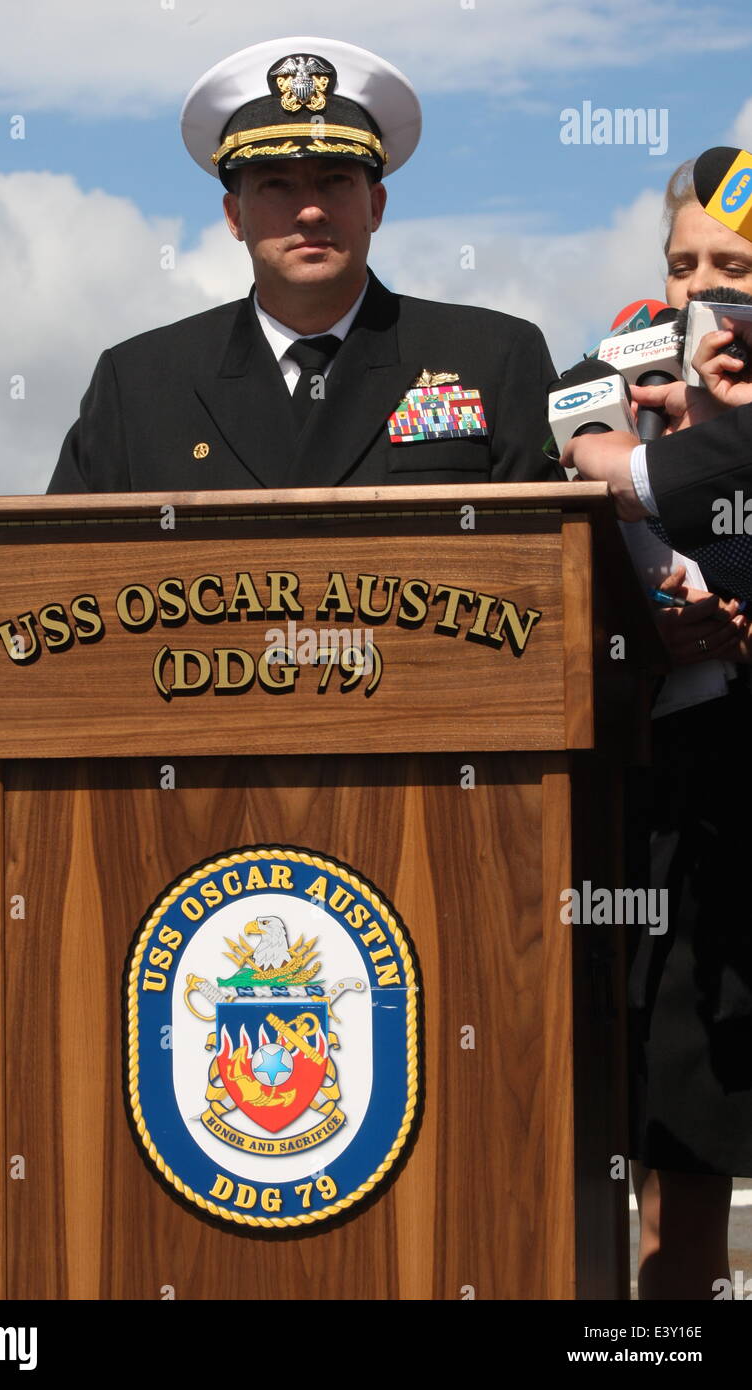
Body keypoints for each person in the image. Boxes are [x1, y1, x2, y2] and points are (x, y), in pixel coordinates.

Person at [47, 36, 560, 495]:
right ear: (234, 217)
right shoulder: (138, 384)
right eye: (276, 185)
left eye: (334, 180)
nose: (311, 209)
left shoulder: (495, 359)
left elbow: (561, 567)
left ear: (376, 207)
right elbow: (51, 572)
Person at [603, 159, 752, 1300]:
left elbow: (645, 480)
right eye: (683, 264)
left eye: (736, 267)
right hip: (685, 825)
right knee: (681, 1157)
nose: (704, 291)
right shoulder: (622, 363)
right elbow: (565, 436)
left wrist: (645, 467)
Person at [562, 166, 752, 548]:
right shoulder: (644, 413)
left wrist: (636, 473)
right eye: (680, 269)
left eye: (732, 268)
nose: (697, 286)